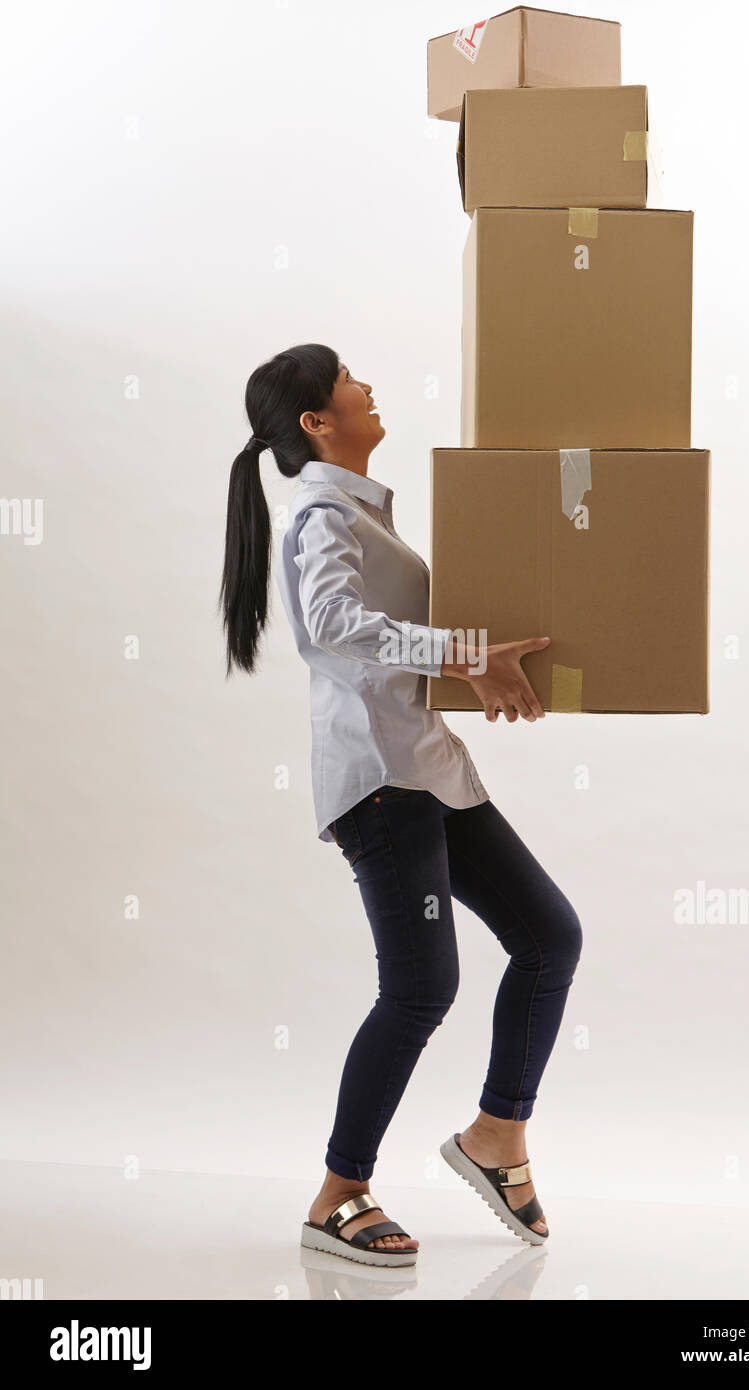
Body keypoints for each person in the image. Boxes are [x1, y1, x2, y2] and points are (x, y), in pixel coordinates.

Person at [220, 344, 583, 1268]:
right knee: (422, 987)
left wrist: (486, 667)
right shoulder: (318, 516)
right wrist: (469, 652)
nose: (367, 387)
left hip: (428, 771)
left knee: (549, 936)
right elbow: (336, 628)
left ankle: (497, 1135)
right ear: (315, 421)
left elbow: (389, 639)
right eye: (347, 379)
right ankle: (339, 1194)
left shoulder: (359, 515)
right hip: (380, 785)